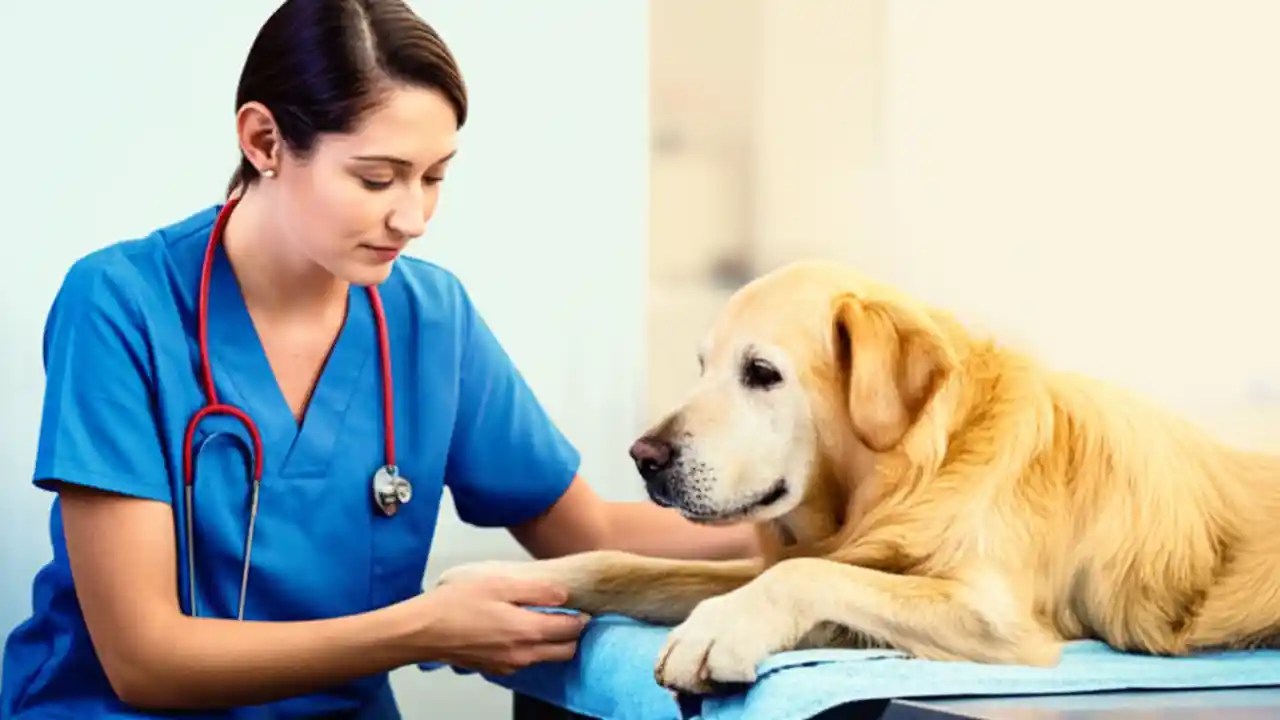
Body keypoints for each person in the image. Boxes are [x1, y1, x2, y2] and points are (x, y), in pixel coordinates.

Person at [0, 1, 758, 717]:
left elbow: (585, 531)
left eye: (434, 176)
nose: (414, 217)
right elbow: (145, 657)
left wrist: (833, 530)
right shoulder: (121, 304)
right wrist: (422, 629)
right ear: (264, 142)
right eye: (376, 178)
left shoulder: (431, 320)